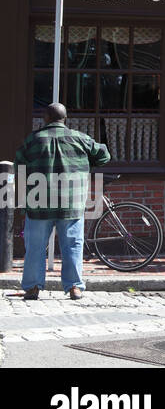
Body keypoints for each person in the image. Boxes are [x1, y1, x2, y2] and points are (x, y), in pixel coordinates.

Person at [15, 104, 110, 300]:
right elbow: (104, 156)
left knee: (35, 247)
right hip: (71, 202)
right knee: (73, 245)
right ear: (64, 118)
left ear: (46, 118)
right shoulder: (80, 138)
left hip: (39, 201)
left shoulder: (33, 140)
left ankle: (33, 287)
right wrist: (84, 165)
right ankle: (74, 286)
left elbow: (19, 166)